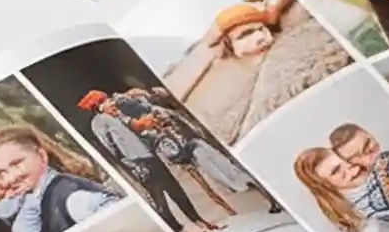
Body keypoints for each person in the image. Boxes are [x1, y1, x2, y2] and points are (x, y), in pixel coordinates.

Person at [165, 0, 352, 145]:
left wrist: (274, 9)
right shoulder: (215, 59)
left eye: (261, 29)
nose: (260, 36)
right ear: (228, 44)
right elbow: (172, 91)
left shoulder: (282, 50)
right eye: (246, 35)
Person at [112, 88, 284, 214]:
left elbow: (180, 130)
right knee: (226, 175)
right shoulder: (147, 120)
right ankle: (267, 197)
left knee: (230, 173)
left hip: (195, 147)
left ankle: (270, 197)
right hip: (192, 149)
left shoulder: (156, 114)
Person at [78, 90, 220, 232]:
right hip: (137, 161)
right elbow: (111, 147)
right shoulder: (99, 122)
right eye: (106, 101)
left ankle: (198, 220)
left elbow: (136, 128)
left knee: (175, 189)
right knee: (159, 199)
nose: (111, 103)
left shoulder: (116, 115)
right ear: (97, 106)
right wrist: (130, 164)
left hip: (149, 155)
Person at [0, 125, 120, 232]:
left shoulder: (67, 196)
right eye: (0, 173)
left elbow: (115, 215)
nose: (10, 179)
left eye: (17, 164)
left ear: (41, 156)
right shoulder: (33, 203)